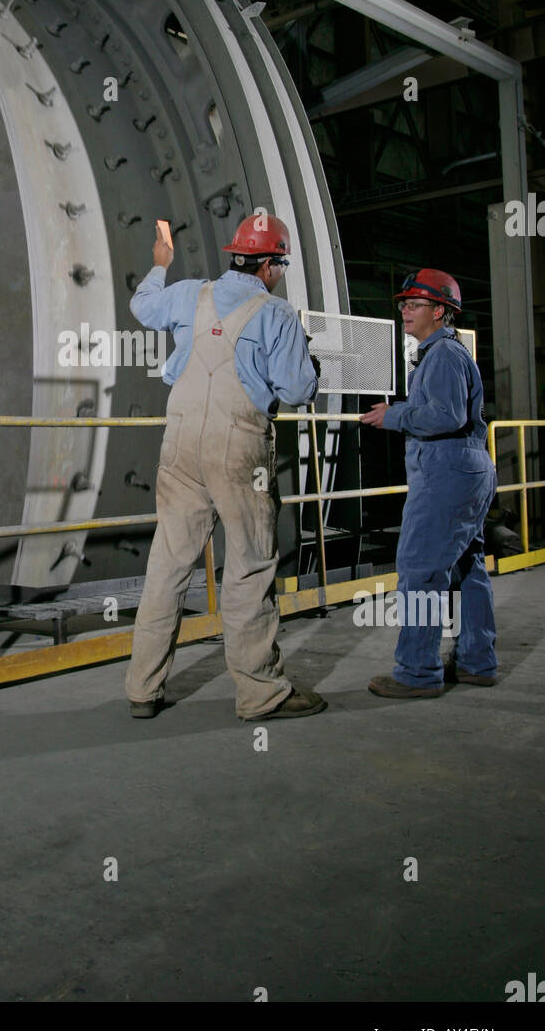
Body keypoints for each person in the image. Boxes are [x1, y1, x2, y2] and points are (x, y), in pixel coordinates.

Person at [125, 210, 326, 721]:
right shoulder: (278, 314)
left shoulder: (190, 292)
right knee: (250, 565)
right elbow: (298, 390)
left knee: (167, 566)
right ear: (271, 266)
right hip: (238, 450)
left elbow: (142, 305)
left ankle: (143, 690)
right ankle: (260, 693)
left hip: (180, 442)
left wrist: (160, 263)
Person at [360, 268, 498, 698]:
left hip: (447, 473)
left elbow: (445, 416)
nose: (405, 311)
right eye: (403, 303)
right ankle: (477, 661)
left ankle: (417, 672)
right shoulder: (446, 354)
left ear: (440, 311)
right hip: (467, 469)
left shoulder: (441, 356)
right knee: (467, 566)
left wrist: (394, 416)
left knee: (420, 569)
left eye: (415, 304)